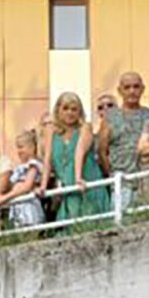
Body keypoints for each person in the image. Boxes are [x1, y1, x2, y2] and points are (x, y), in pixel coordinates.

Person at [45, 92, 108, 223]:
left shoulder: (85, 127)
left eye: (74, 109)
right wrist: (43, 186)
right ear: (58, 110)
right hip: (68, 188)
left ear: (80, 112)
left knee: (92, 222)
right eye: (65, 108)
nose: (70, 113)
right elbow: (47, 159)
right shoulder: (50, 130)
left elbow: (80, 151)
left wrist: (78, 178)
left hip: (87, 181)